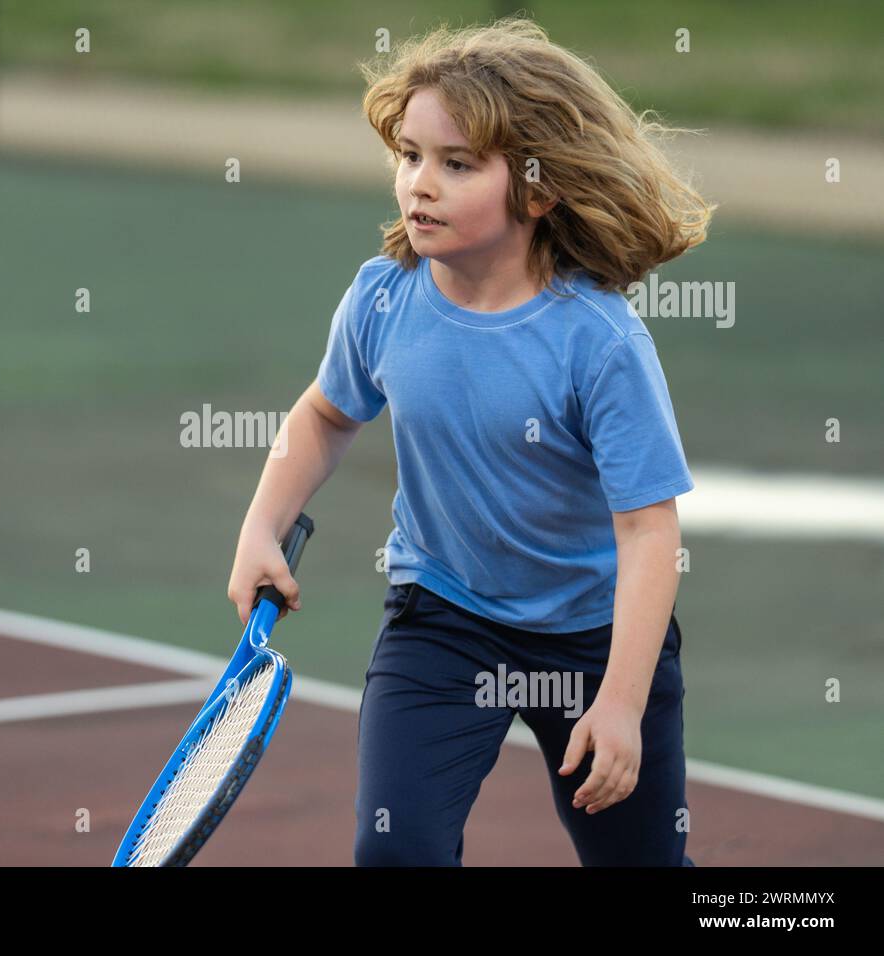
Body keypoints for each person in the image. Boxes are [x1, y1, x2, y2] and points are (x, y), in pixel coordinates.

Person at [226, 17, 714, 866]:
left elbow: (649, 531)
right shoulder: (384, 300)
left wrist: (622, 702)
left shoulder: (599, 342)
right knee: (396, 850)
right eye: (409, 156)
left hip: (596, 637)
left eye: (457, 164)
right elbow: (326, 413)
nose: (420, 184)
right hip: (444, 621)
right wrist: (261, 526)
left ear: (537, 188)